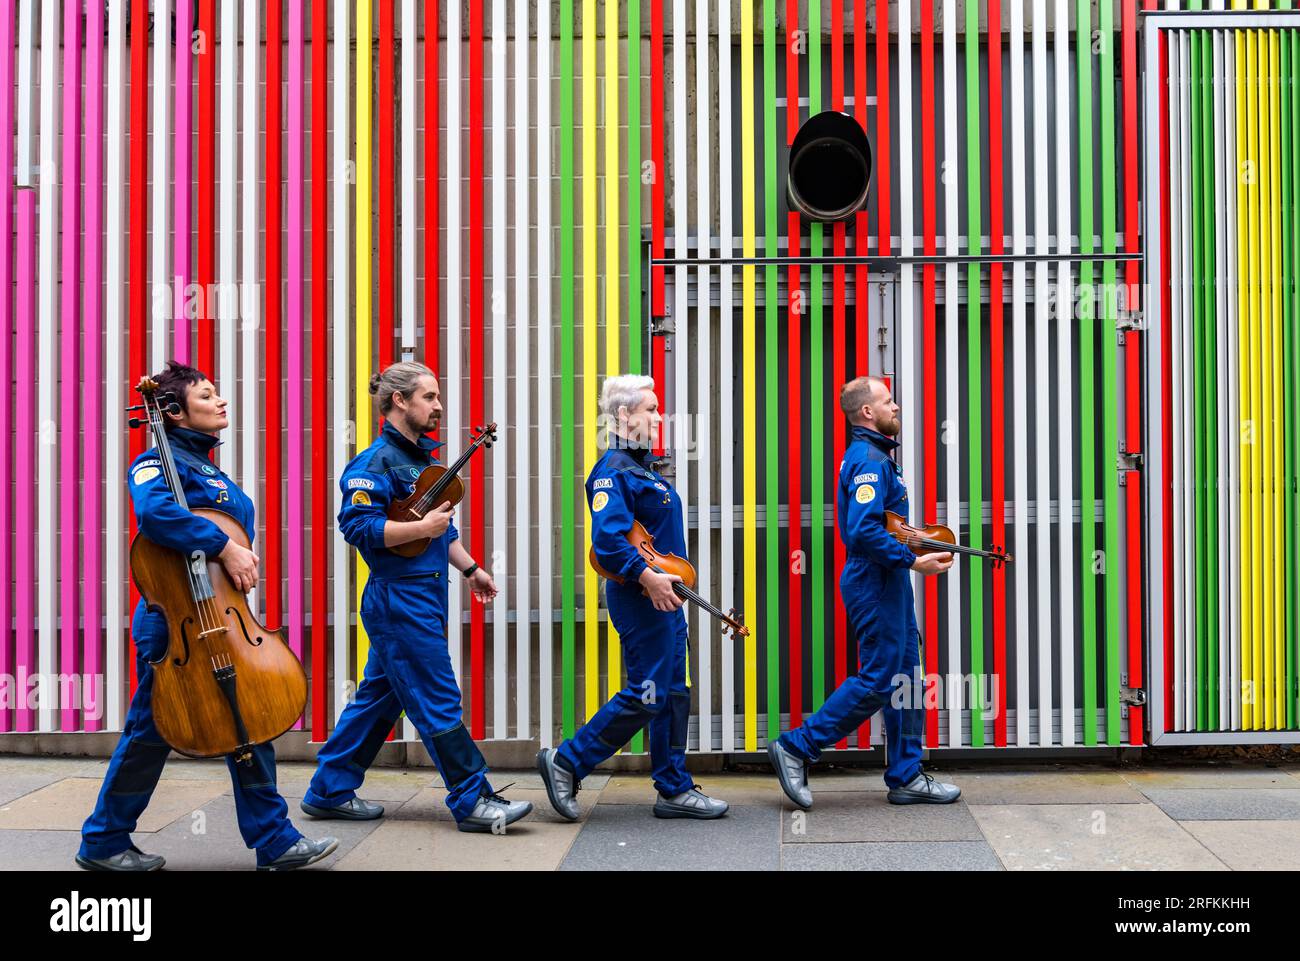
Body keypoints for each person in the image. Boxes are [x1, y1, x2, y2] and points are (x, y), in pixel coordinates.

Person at [78, 361, 338, 871]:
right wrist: (224, 545)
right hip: (176, 629)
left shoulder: (207, 470)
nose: (221, 401)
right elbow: (156, 516)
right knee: (151, 734)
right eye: (207, 395)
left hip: (221, 619)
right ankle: (104, 841)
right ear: (172, 412)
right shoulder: (155, 464)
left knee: (250, 724)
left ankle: (275, 841)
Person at [300, 362, 532, 833]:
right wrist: (421, 527)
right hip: (397, 600)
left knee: (379, 700)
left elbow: (441, 531)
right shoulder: (372, 464)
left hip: (425, 595)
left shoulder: (426, 464)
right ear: (400, 400)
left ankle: (327, 791)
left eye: (438, 396)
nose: (439, 406)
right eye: (429, 396)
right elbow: (357, 527)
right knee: (437, 697)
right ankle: (472, 799)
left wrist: (471, 568)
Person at [537, 374, 728, 821]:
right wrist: (647, 577)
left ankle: (674, 788)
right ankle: (567, 762)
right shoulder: (613, 471)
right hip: (643, 597)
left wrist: (662, 580)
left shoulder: (643, 468)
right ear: (624, 416)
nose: (659, 417)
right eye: (651, 409)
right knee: (648, 693)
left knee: (673, 692)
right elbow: (606, 543)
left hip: (665, 594)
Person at [768, 375, 962, 809]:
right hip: (874, 580)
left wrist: (917, 543)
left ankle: (907, 775)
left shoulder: (876, 457)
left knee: (906, 678)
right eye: (888, 401)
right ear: (868, 412)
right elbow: (861, 531)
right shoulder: (869, 460)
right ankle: (797, 747)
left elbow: (884, 527)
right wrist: (913, 561)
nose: (896, 407)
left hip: (886, 580)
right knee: (880, 678)